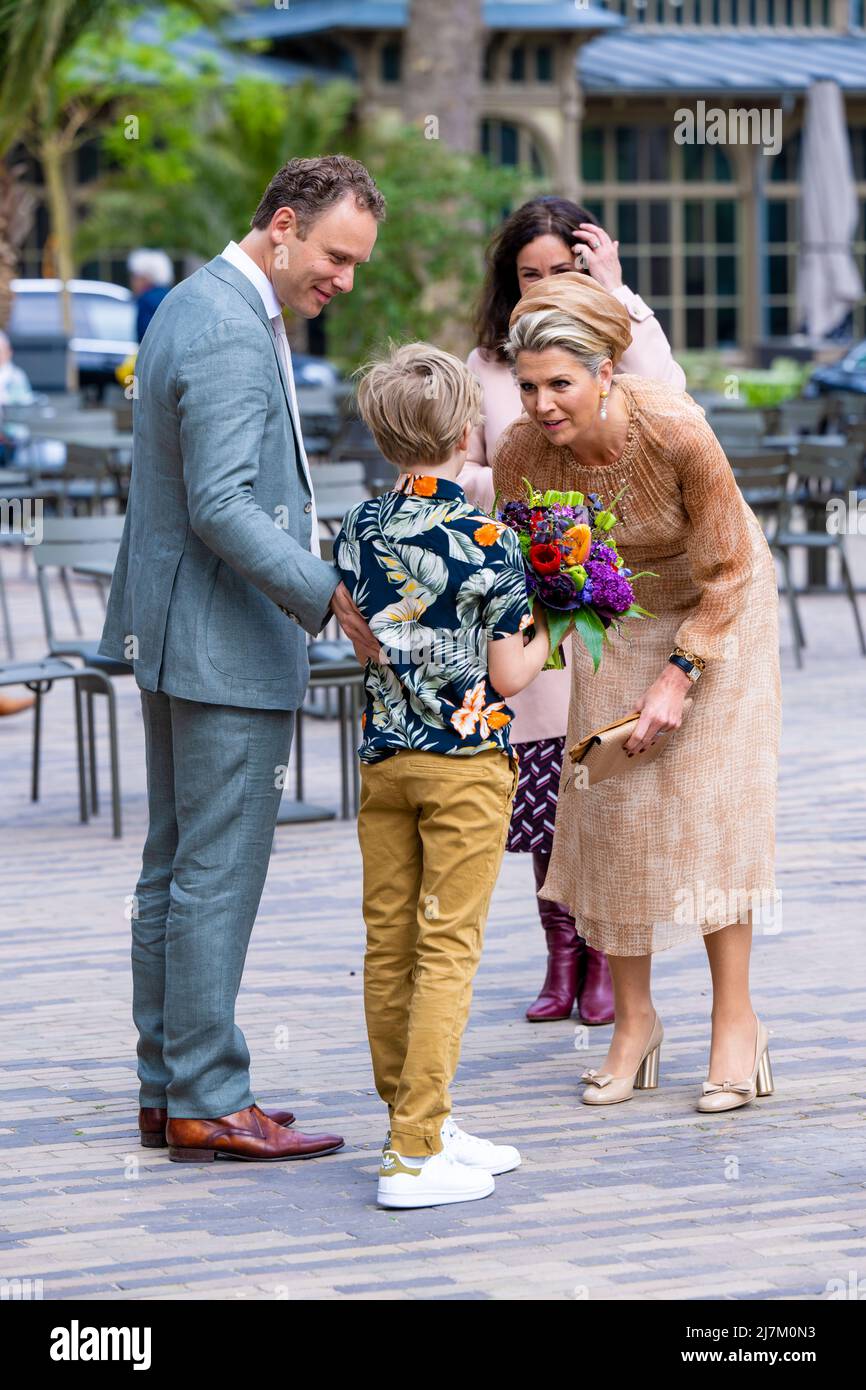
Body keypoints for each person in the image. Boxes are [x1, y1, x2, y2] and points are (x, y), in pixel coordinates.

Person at [100, 156, 385, 1163]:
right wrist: (330, 596)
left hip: (181, 631)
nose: (343, 281)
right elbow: (222, 502)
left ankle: (171, 1088)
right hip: (219, 638)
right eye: (335, 257)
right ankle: (207, 1098)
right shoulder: (226, 320)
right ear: (280, 225)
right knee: (213, 875)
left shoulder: (197, 301)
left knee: (176, 871)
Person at [492, 272, 780, 1114]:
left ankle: (736, 1023)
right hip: (613, 610)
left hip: (718, 607)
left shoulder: (675, 431)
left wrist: (679, 677)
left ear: (607, 371)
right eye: (530, 385)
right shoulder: (522, 452)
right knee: (609, 807)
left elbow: (730, 567)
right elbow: (531, 578)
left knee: (707, 807)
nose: (543, 404)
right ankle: (636, 1024)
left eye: (561, 384)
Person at [334, 343, 557, 1208]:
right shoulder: (489, 540)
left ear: (386, 434)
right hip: (464, 769)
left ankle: (419, 1122)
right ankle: (415, 1152)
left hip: (384, 762)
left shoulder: (357, 528)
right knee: (448, 950)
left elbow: (364, 623)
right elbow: (508, 675)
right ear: (469, 428)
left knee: (388, 946)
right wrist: (553, 627)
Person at [461, 196, 686, 1029]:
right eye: (530, 273)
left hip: (621, 602)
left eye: (564, 270)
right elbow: (464, 468)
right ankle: (563, 956)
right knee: (548, 792)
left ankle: (610, 962)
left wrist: (620, 298)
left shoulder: (624, 346)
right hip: (538, 596)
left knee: (609, 790)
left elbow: (671, 417)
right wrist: (531, 489)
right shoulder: (486, 363)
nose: (545, 285)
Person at [128, 249, 175, 343]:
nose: (132, 281)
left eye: (135, 276)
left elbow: (144, 337)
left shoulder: (146, 301)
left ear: (146, 278)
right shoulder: (171, 294)